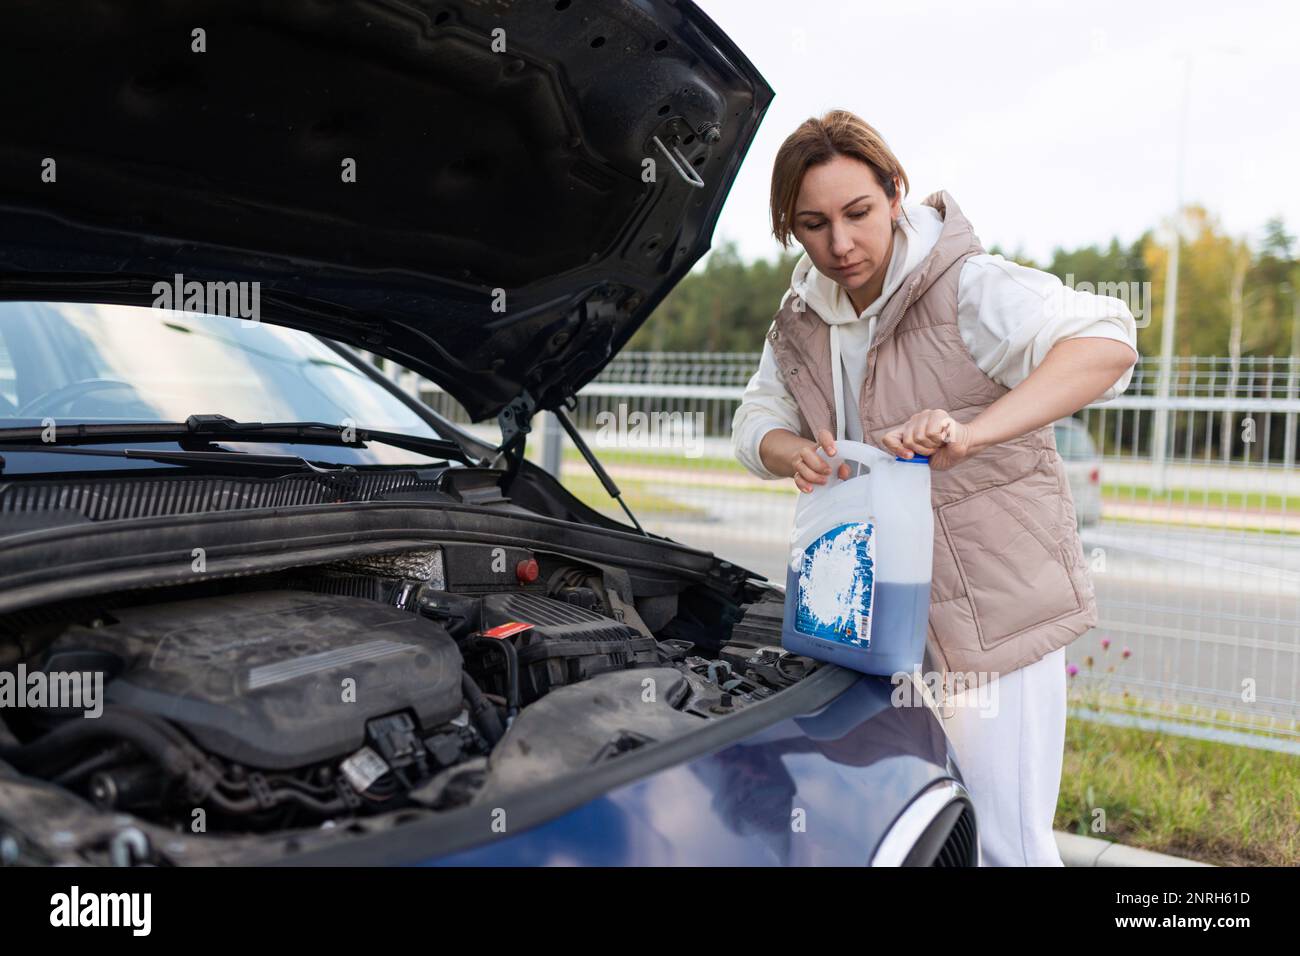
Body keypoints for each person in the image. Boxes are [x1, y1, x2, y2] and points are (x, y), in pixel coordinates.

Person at [731, 109, 1138, 866]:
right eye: (814, 224)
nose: (841, 244)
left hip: (991, 623)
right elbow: (755, 420)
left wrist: (973, 432)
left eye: (857, 213)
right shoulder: (798, 320)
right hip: (872, 623)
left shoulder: (970, 286)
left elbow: (1109, 343)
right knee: (912, 833)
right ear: (790, 227)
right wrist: (793, 454)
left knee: (1003, 846)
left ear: (894, 193)